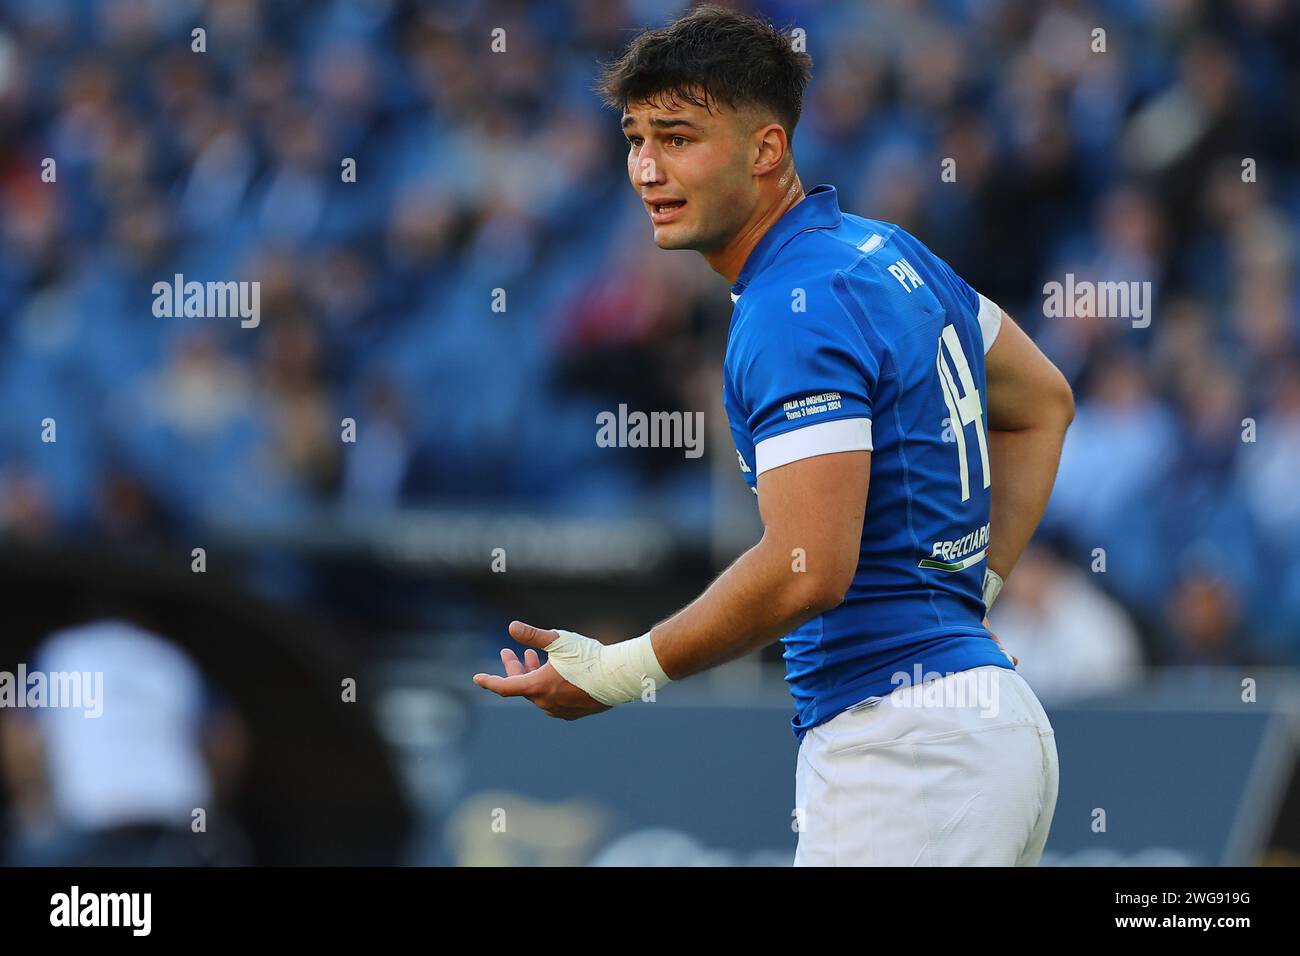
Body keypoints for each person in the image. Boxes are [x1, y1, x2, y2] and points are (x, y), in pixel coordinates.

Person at [472, 5, 1074, 866]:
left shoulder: (792, 306)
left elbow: (807, 567)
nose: (647, 169)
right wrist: (967, 599)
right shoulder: (886, 252)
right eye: (636, 139)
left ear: (766, 149)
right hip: (980, 724)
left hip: (903, 746)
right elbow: (1043, 403)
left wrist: (620, 671)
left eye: (678, 138)